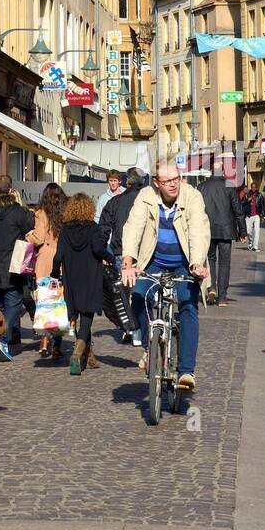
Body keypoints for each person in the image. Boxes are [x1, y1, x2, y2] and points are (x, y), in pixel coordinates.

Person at [120, 159, 211, 393]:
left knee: (188, 306)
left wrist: (197, 262)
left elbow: (199, 230)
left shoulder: (192, 196)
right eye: (167, 181)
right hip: (153, 260)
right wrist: (128, 261)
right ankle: (151, 346)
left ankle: (186, 371)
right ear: (156, 183)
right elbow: (133, 227)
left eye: (176, 179)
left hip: (185, 263)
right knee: (138, 296)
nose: (173, 185)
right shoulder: (145, 196)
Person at [0, 176, 38, 362]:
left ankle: (1, 339)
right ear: (10, 190)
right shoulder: (17, 211)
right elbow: (31, 227)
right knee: (14, 303)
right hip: (14, 262)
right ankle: (1, 338)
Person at [51, 193, 108, 375]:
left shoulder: (65, 229)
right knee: (87, 318)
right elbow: (99, 249)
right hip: (90, 276)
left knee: (75, 315)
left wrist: (54, 273)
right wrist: (110, 257)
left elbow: (58, 255)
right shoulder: (93, 228)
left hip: (71, 277)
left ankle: (89, 356)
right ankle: (77, 352)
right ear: (89, 209)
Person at [98, 169, 143, 345]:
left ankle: (130, 328)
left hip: (121, 251)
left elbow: (103, 227)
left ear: (127, 183)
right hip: (143, 252)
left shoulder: (115, 201)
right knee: (142, 290)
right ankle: (141, 328)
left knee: (124, 292)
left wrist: (101, 251)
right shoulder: (148, 200)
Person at [200, 170, 247, 305]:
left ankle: (211, 288)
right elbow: (238, 211)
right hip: (226, 230)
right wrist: (242, 232)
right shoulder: (230, 186)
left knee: (210, 260)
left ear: (210, 173)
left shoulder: (202, 187)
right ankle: (222, 297)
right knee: (224, 263)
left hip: (207, 230)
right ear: (223, 172)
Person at [33, 182, 66, 358]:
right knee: (59, 303)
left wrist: (28, 236)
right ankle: (57, 344)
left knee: (45, 300)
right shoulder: (65, 213)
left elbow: (38, 238)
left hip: (45, 258)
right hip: (62, 258)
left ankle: (45, 338)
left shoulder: (40, 213)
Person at [242, 184, 265, 253]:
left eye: (255, 187)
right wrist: (247, 200)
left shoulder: (260, 195)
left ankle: (255, 246)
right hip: (249, 215)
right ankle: (250, 241)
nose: (253, 188)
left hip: (257, 215)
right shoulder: (247, 195)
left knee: (257, 231)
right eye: (252, 187)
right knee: (248, 231)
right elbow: (242, 204)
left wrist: (263, 216)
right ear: (251, 187)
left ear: (256, 188)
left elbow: (262, 206)